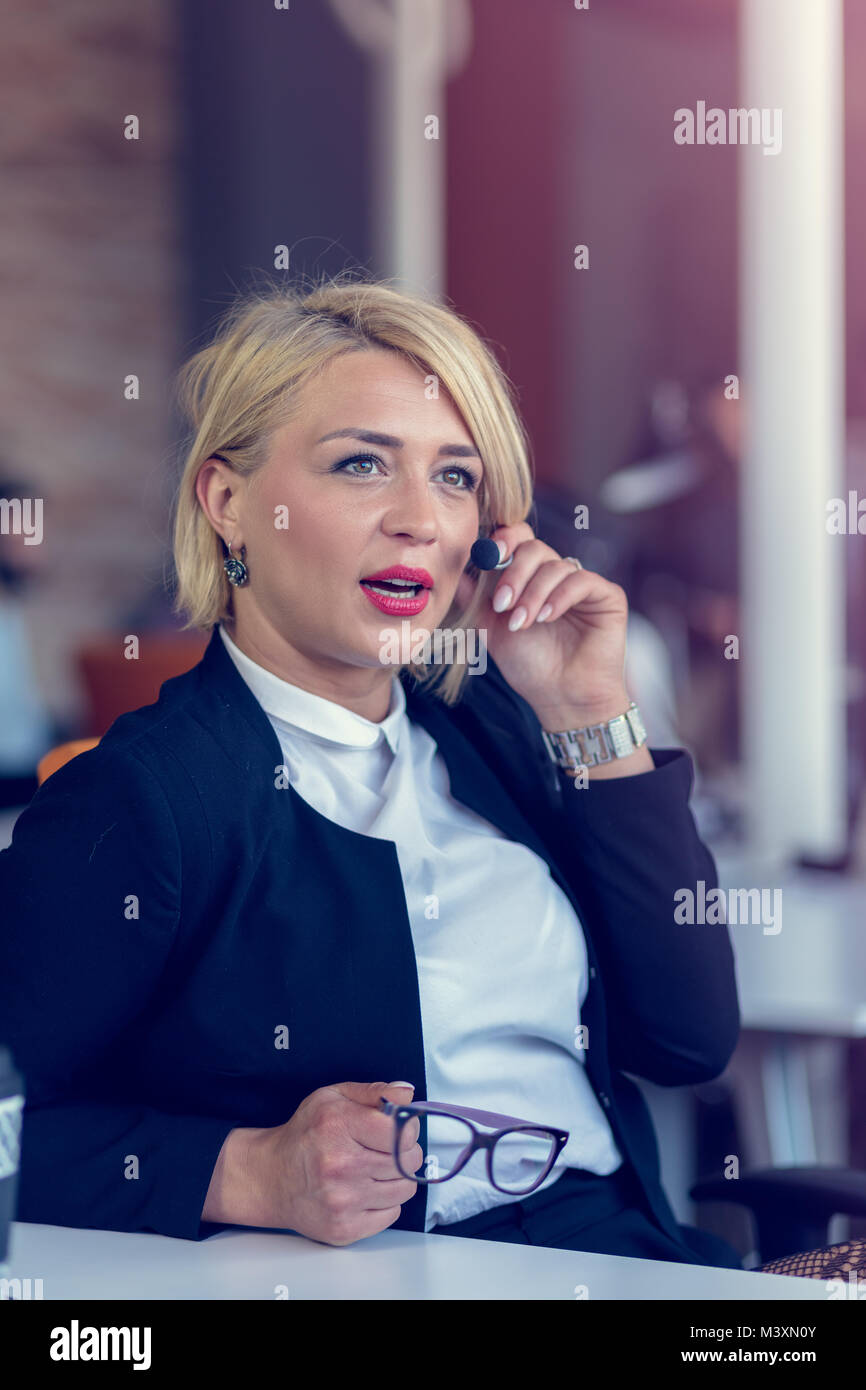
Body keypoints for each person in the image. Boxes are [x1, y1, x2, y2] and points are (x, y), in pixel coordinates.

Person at [0, 273, 749, 1268]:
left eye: (452, 476)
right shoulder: (150, 796)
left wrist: (589, 713)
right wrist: (249, 1170)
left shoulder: (500, 730)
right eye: (362, 464)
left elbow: (687, 1039)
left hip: (616, 1258)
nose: (419, 520)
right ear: (227, 502)